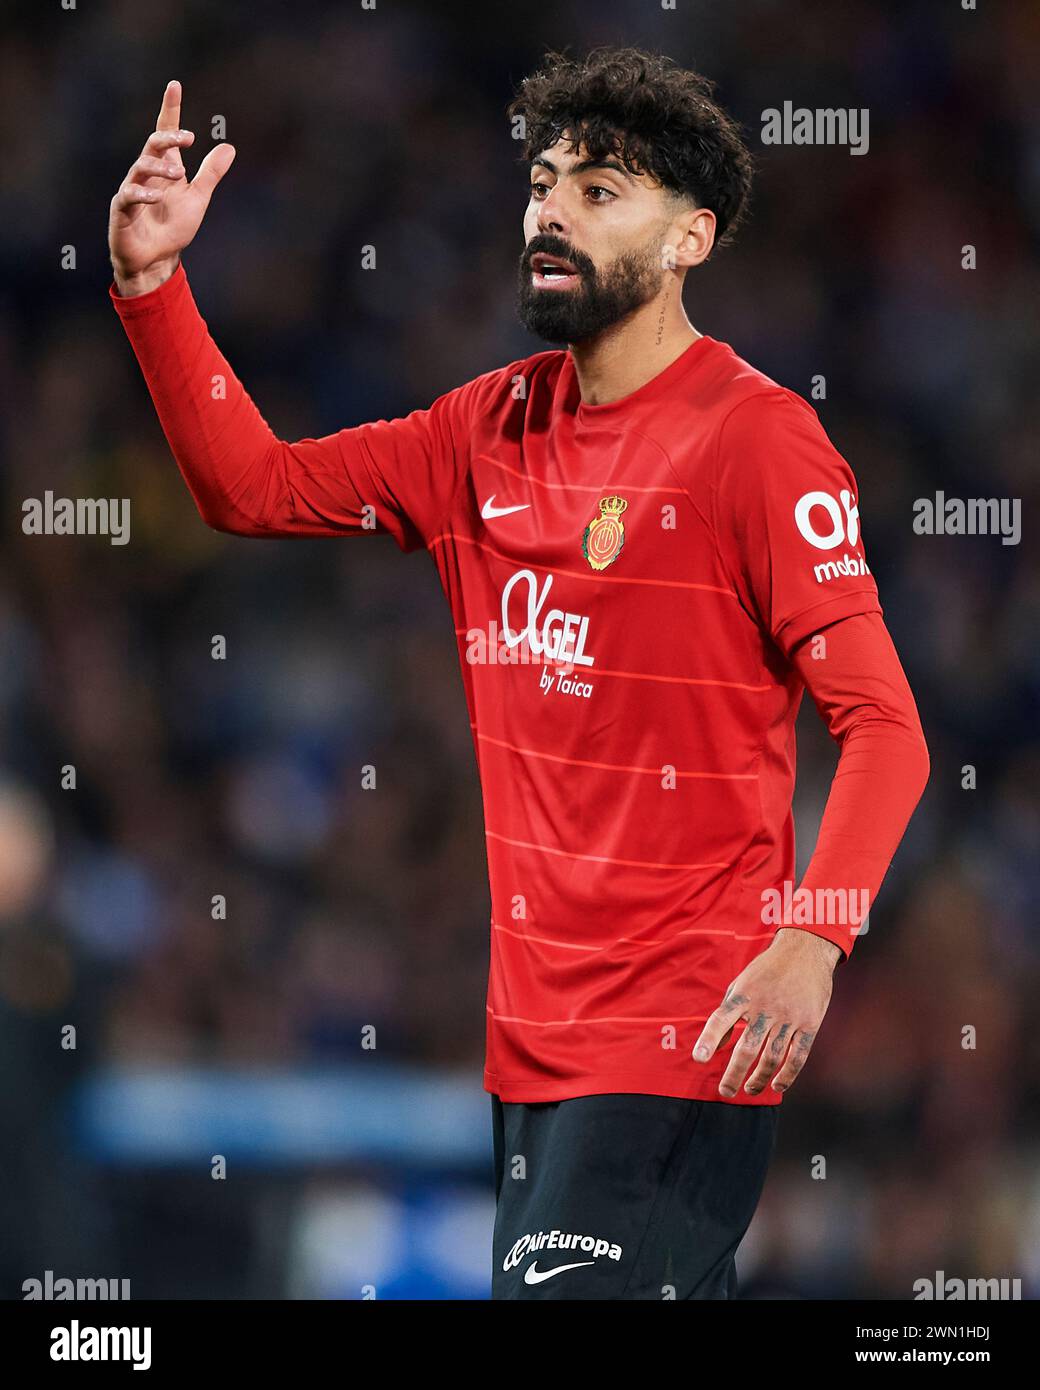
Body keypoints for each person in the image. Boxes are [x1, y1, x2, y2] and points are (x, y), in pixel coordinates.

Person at [108, 49, 929, 1300]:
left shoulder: (760, 443)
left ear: (690, 238)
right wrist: (153, 283)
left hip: (680, 1037)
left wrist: (811, 938)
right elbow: (251, 485)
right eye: (543, 181)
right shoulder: (479, 431)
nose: (549, 209)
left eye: (600, 190)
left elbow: (884, 726)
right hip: (527, 1051)